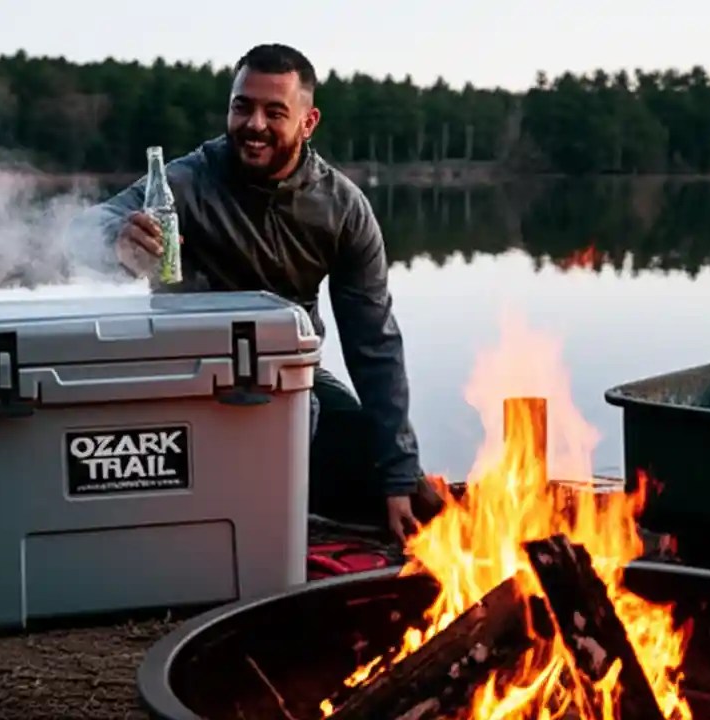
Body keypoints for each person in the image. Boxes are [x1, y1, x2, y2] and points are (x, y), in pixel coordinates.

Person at [69, 43, 442, 543]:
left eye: (274, 111)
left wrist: (398, 474)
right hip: (188, 385)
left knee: (396, 485)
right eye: (242, 106)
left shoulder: (343, 210)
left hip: (290, 385)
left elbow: (374, 345)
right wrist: (117, 243)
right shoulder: (186, 181)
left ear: (308, 123)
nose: (254, 124)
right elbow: (82, 231)